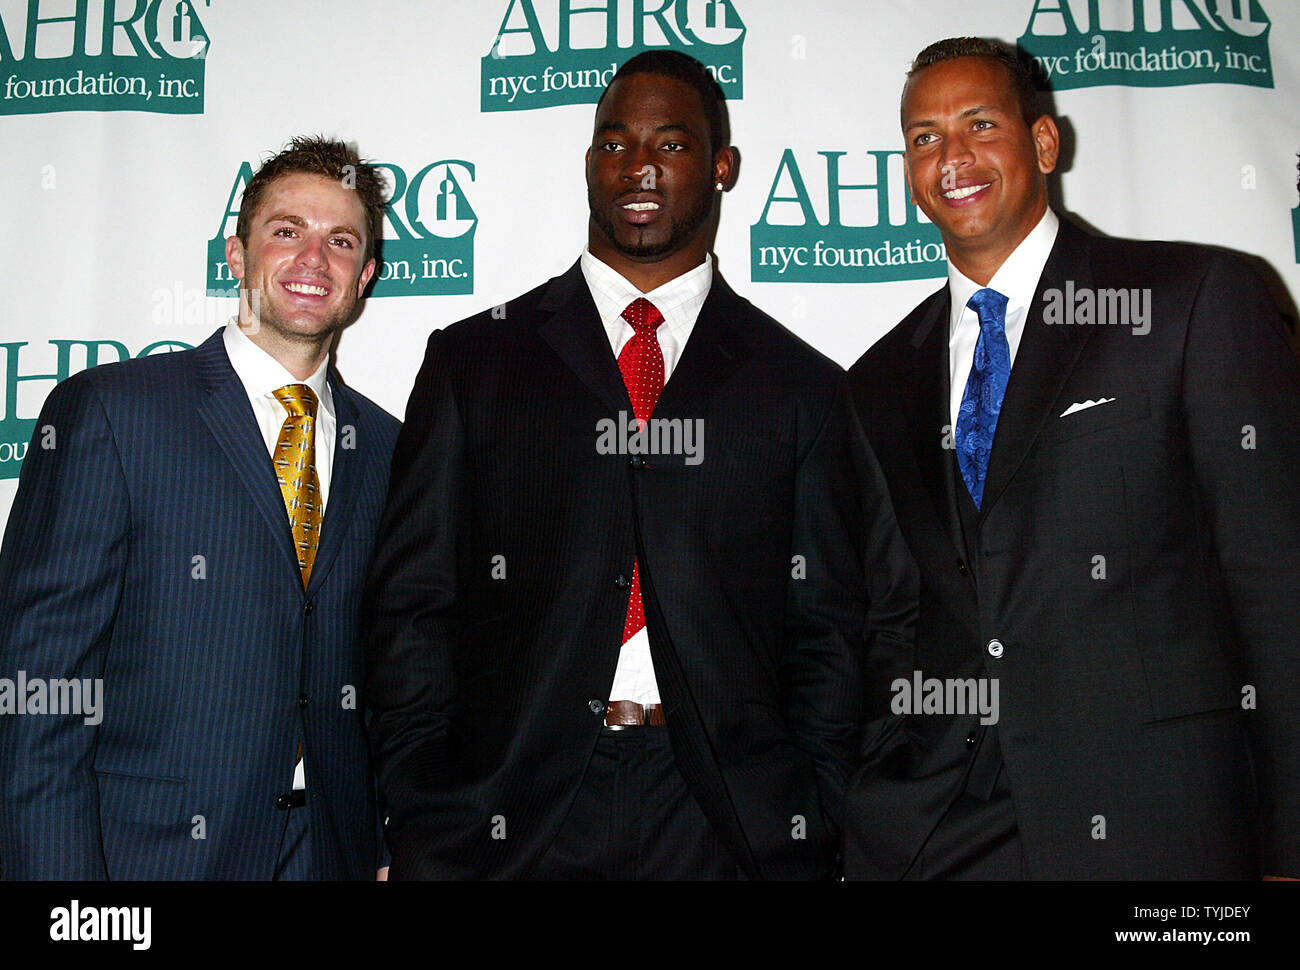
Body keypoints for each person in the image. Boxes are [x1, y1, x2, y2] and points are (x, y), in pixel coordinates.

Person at [363, 50, 914, 880]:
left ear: (723, 166)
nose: (638, 167)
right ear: (589, 163)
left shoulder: (800, 385)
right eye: (614, 144)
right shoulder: (475, 361)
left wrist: (814, 802)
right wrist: (419, 795)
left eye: (673, 144)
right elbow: (412, 601)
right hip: (505, 818)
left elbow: (828, 629)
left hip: (727, 822)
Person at [844, 37, 1300, 879]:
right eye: (924, 137)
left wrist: (1289, 842)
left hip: (1158, 822)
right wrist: (883, 776)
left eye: (979, 124)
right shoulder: (876, 379)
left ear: (1044, 143)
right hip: (942, 827)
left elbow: (1275, 579)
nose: (952, 158)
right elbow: (894, 616)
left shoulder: (1190, 301)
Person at [0, 136, 400, 880]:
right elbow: (38, 694)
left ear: (365, 275)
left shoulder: (388, 448)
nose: (314, 259)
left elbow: (390, 676)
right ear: (236, 255)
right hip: (148, 861)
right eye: (287, 231)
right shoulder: (113, 413)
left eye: (341, 241)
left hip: (332, 857)